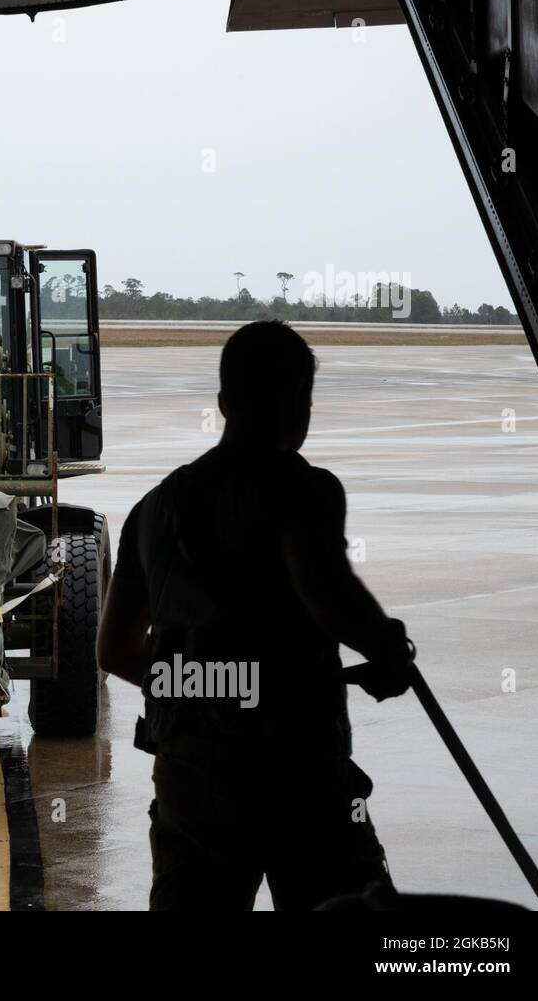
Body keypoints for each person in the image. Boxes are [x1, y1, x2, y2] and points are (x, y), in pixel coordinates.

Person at [96, 320, 413, 911]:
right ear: (301, 403)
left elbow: (113, 651)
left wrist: (207, 685)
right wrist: (388, 648)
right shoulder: (308, 490)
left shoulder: (153, 510)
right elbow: (325, 590)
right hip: (301, 780)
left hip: (191, 781)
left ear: (223, 403)